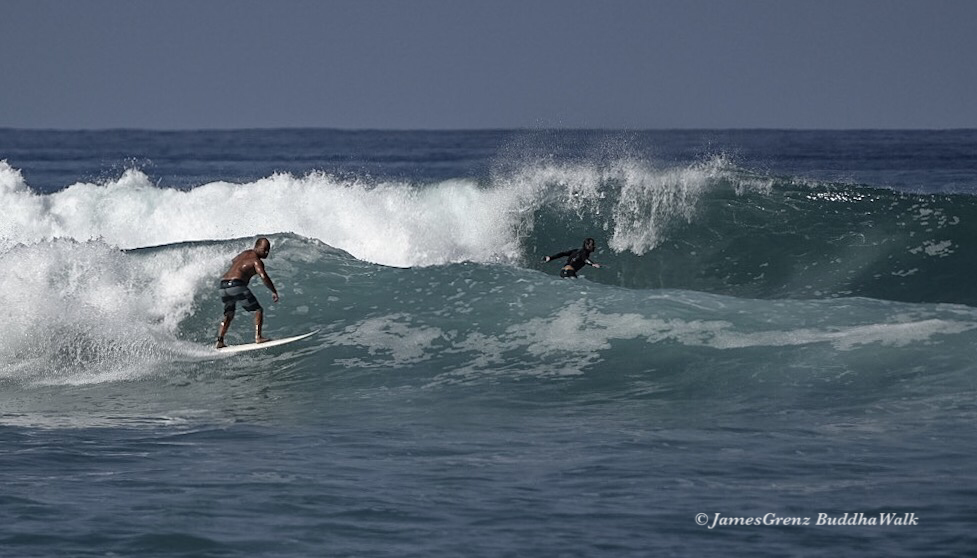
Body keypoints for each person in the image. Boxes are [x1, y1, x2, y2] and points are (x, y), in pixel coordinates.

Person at [215, 237, 280, 348]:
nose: (267, 252)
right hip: (236, 285)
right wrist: (273, 291)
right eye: (264, 249)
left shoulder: (243, 254)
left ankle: (220, 341)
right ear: (257, 247)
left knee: (229, 314)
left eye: (268, 249)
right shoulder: (256, 261)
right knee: (258, 310)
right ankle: (258, 337)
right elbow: (263, 276)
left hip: (223, 285)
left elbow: (233, 261)